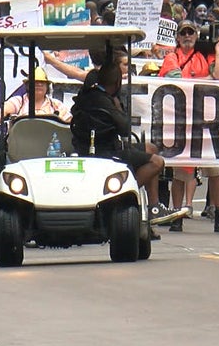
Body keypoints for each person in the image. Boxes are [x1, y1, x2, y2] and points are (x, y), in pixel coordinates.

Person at [72, 57, 181, 225]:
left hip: (101, 146)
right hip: (105, 152)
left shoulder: (88, 95)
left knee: (150, 148)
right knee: (157, 163)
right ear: (116, 83)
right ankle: (121, 195)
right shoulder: (104, 101)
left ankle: (153, 207)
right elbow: (124, 129)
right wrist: (117, 106)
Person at [158, 20, 219, 231]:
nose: (188, 36)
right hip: (183, 121)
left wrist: (217, 50)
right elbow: (177, 81)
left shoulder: (206, 56)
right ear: (178, 37)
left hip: (209, 123)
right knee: (181, 174)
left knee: (215, 172)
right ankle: (177, 215)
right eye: (184, 33)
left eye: (191, 32)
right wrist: (205, 80)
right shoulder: (172, 57)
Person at [0, 67, 67, 122]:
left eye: (42, 82)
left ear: (47, 86)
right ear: (28, 85)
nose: (39, 84)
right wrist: (2, 114)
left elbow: (69, 122)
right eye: (35, 82)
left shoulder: (56, 104)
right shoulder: (18, 102)